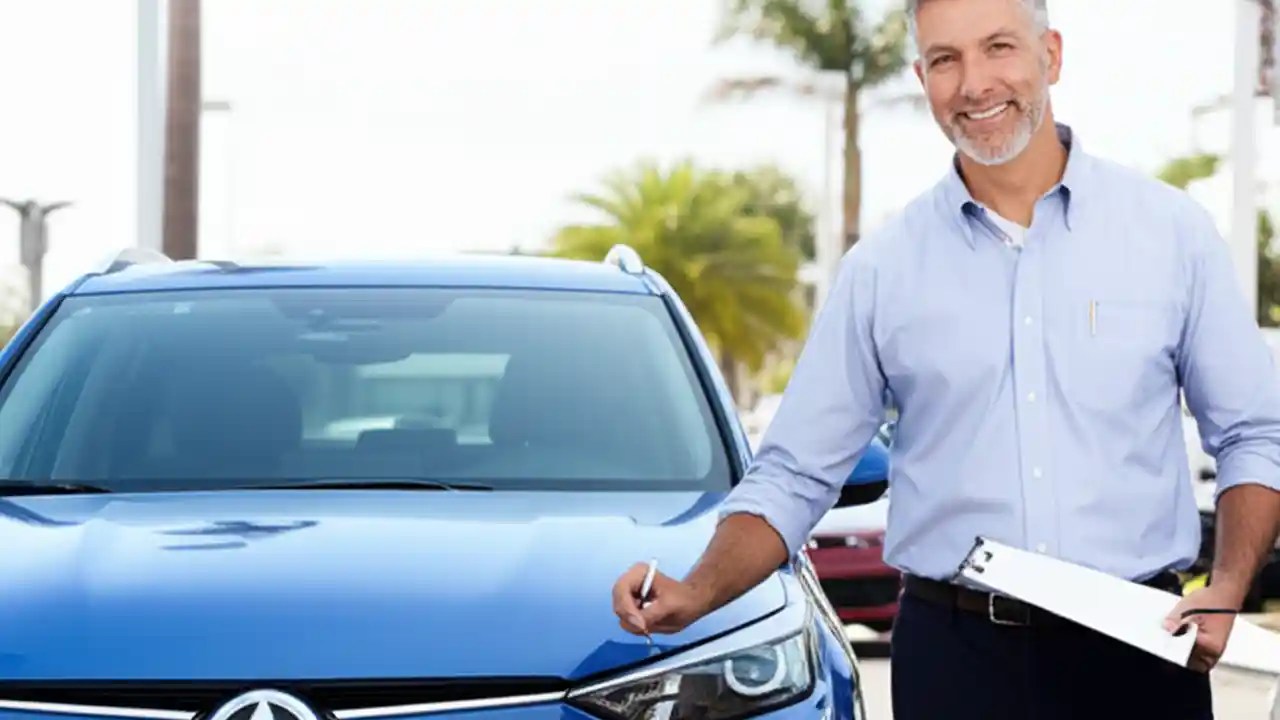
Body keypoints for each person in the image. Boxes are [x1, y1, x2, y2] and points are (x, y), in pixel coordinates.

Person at [610, 0, 1280, 717]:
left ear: (1051, 55)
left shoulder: (1170, 235)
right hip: (956, 662)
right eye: (944, 59)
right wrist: (697, 588)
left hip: (1140, 654)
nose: (973, 83)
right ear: (921, 75)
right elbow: (796, 472)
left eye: (998, 48)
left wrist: (1231, 585)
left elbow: (1252, 432)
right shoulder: (883, 270)